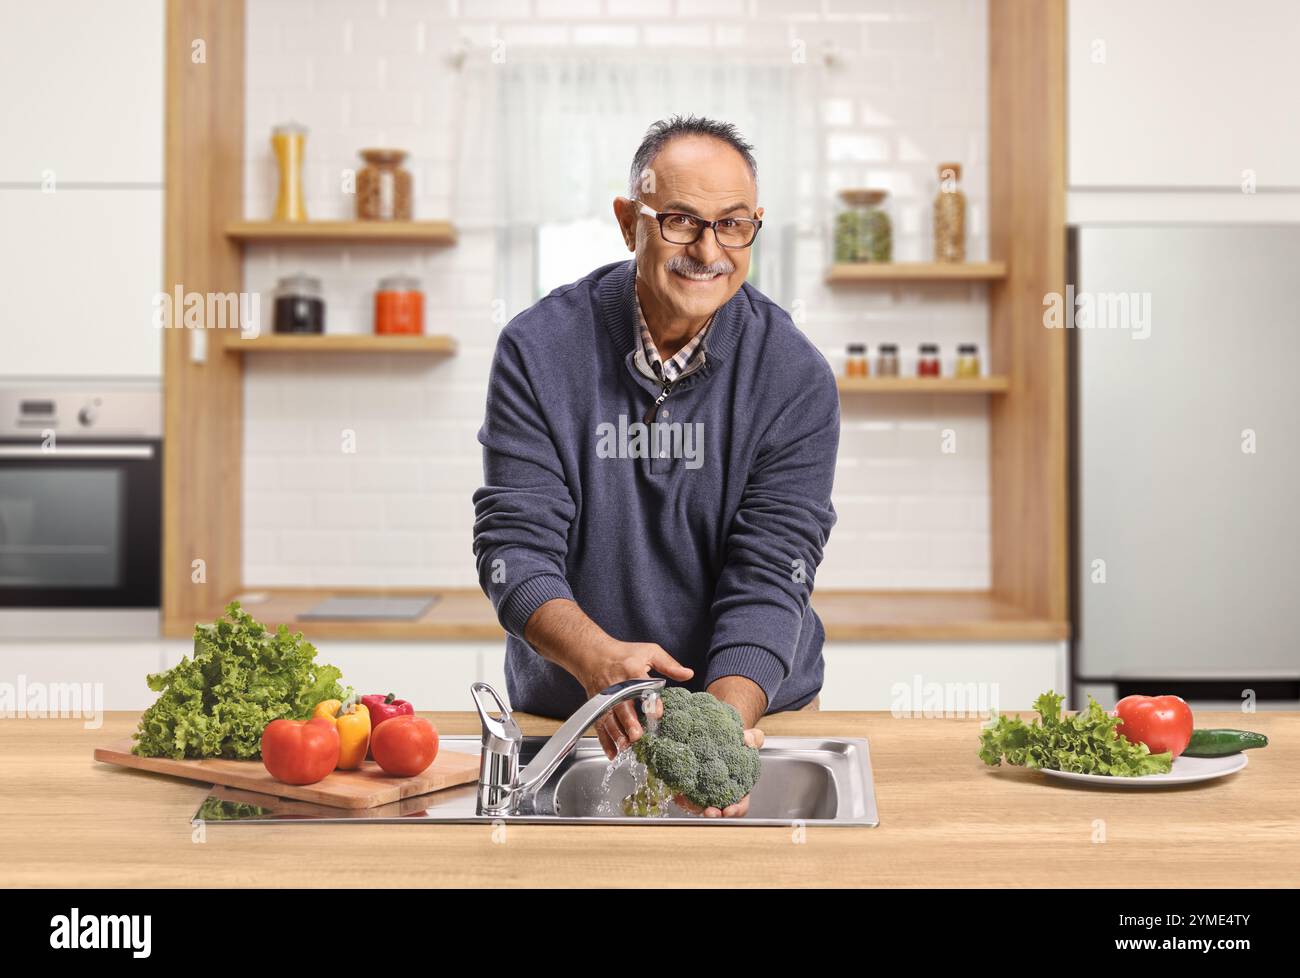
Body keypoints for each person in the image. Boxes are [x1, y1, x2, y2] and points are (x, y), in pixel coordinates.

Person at [473, 115, 839, 816]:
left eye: (734, 225)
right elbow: (514, 548)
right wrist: (594, 659)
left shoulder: (794, 376)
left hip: (756, 715)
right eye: (680, 221)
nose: (708, 250)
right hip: (573, 716)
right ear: (627, 221)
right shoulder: (538, 349)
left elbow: (772, 570)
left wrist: (724, 729)